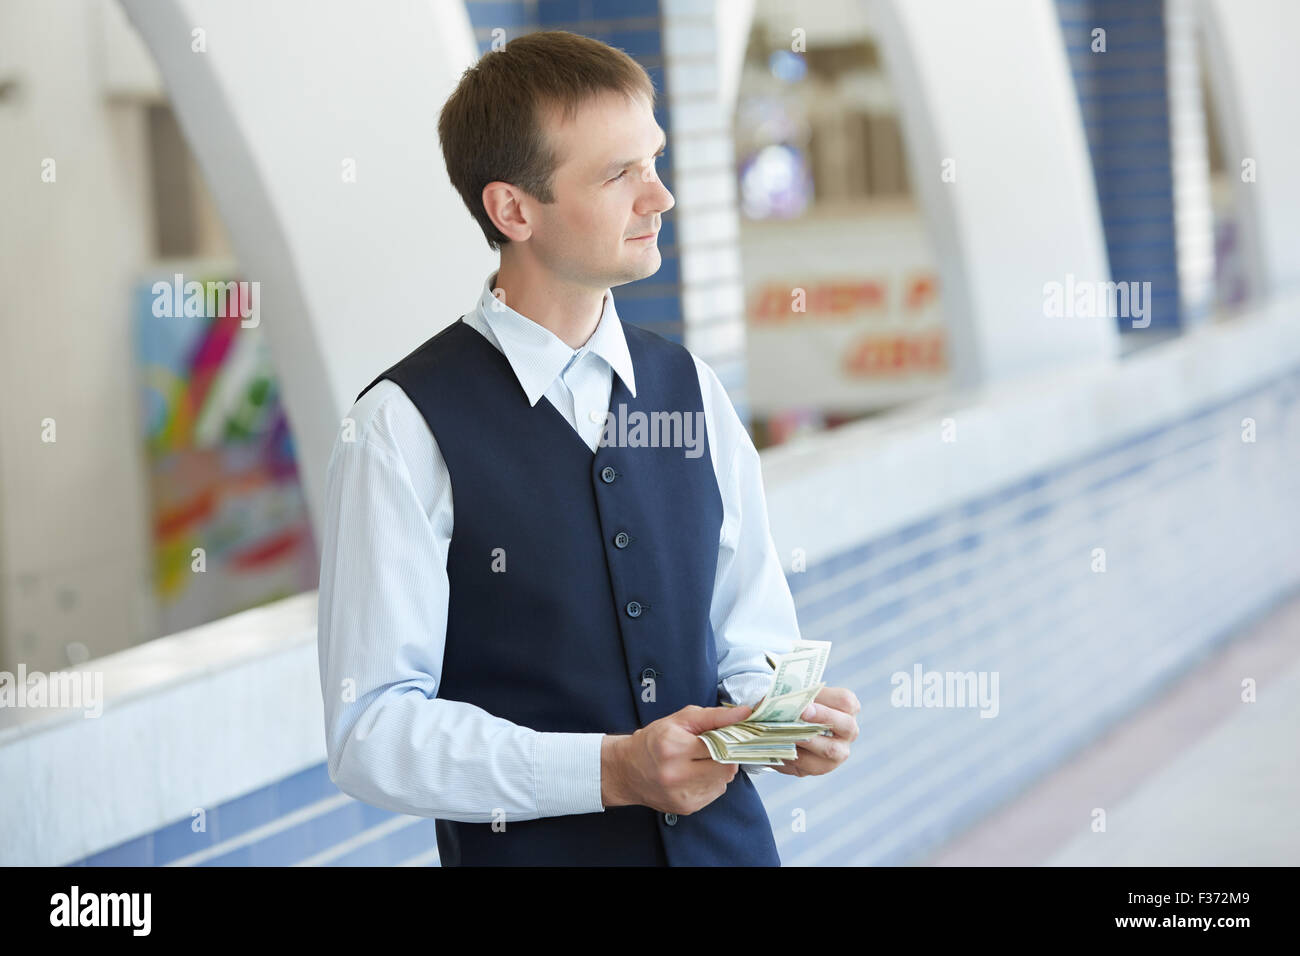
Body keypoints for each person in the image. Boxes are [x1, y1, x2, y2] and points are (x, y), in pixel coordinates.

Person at [317, 30, 859, 867]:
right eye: (620, 175)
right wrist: (610, 770)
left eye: (655, 160)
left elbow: (750, 632)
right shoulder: (401, 427)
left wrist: (778, 720)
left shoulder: (694, 392)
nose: (661, 198)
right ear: (513, 210)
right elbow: (373, 731)